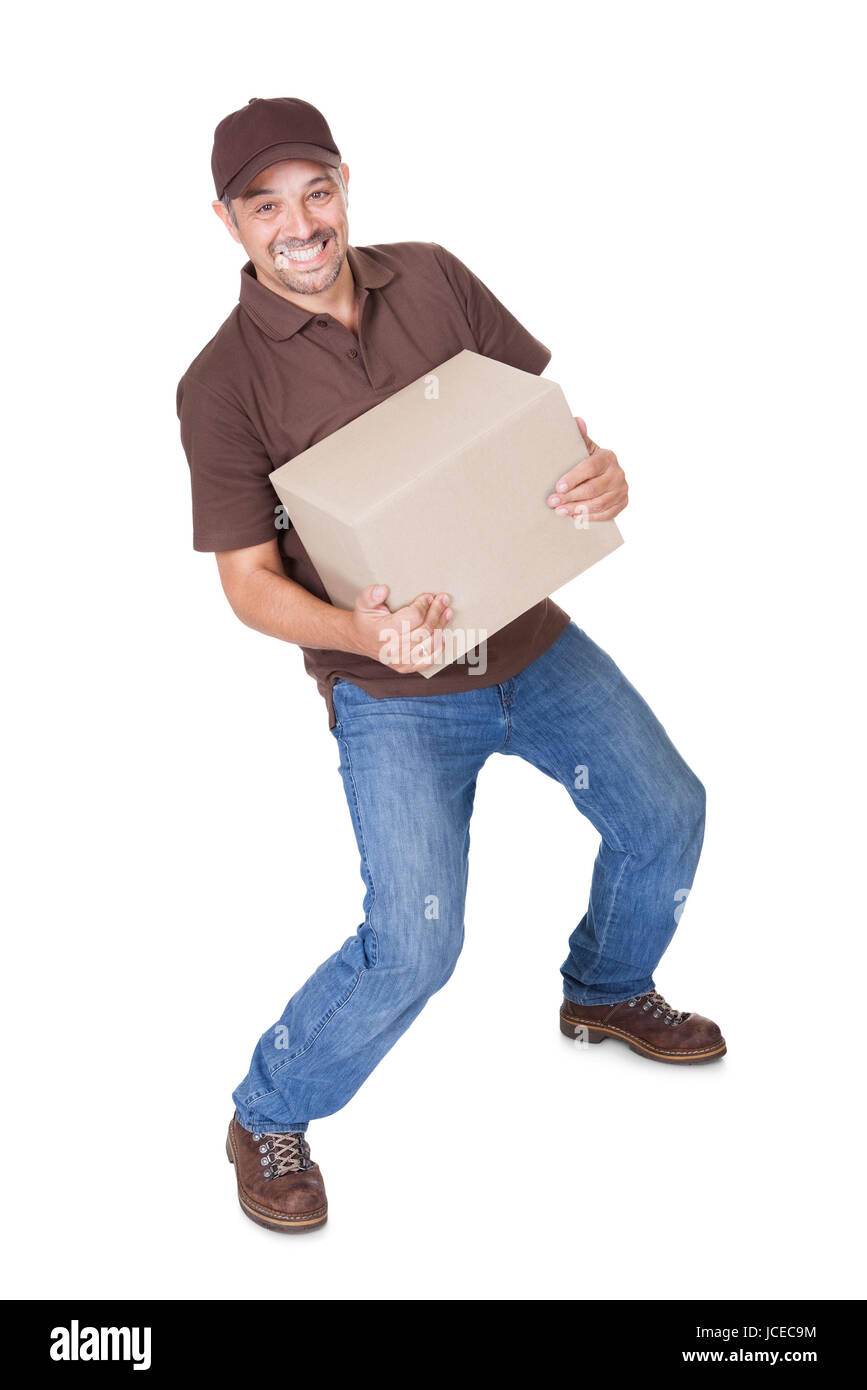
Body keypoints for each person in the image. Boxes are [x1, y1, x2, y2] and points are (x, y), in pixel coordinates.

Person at [177, 97, 725, 1235]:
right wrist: (366, 638)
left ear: (343, 184)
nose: (299, 224)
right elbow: (244, 583)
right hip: (392, 695)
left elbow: (541, 427)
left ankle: (608, 990)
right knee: (416, 944)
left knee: (667, 812)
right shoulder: (220, 384)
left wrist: (601, 470)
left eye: (314, 191)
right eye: (265, 205)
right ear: (228, 220)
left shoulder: (429, 276)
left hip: (528, 640)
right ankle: (268, 1106)